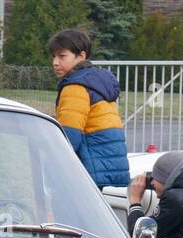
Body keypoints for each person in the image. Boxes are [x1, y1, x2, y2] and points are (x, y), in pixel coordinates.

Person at [49, 28, 129, 189]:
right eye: (53, 56)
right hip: (116, 171)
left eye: (62, 56)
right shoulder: (97, 83)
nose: (55, 62)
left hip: (90, 175)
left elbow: (69, 138)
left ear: (81, 56)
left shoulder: (75, 87)